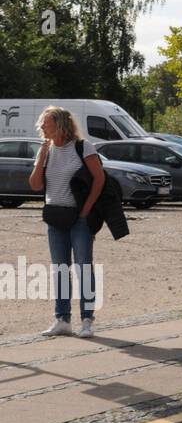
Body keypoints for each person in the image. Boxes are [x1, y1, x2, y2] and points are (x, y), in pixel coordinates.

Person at [29, 107, 106, 337]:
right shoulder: (47, 150)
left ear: (61, 124)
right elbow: (35, 185)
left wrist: (86, 211)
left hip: (79, 218)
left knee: (83, 267)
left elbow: (99, 179)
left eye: (46, 123)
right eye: (42, 123)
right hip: (55, 218)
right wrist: (42, 156)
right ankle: (62, 319)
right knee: (60, 270)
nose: (42, 126)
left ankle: (86, 320)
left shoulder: (82, 147)